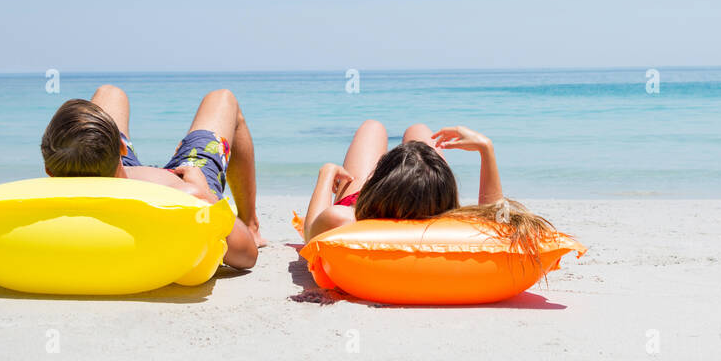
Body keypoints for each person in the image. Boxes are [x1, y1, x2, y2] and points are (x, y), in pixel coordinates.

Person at [40, 85, 264, 269]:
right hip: (181, 179)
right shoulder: (190, 198)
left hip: (108, 173)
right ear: (122, 147)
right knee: (222, 98)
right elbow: (247, 256)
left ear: (49, 171)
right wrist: (202, 190)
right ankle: (250, 223)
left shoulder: (43, 211)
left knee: (110, 92)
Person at [302, 121, 554, 255]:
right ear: (445, 189)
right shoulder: (455, 223)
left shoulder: (345, 217)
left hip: (367, 206)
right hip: (428, 206)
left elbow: (310, 234)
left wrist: (326, 174)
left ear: (377, 181)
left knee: (372, 127)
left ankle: (395, 171)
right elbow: (497, 217)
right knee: (420, 130)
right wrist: (486, 149)